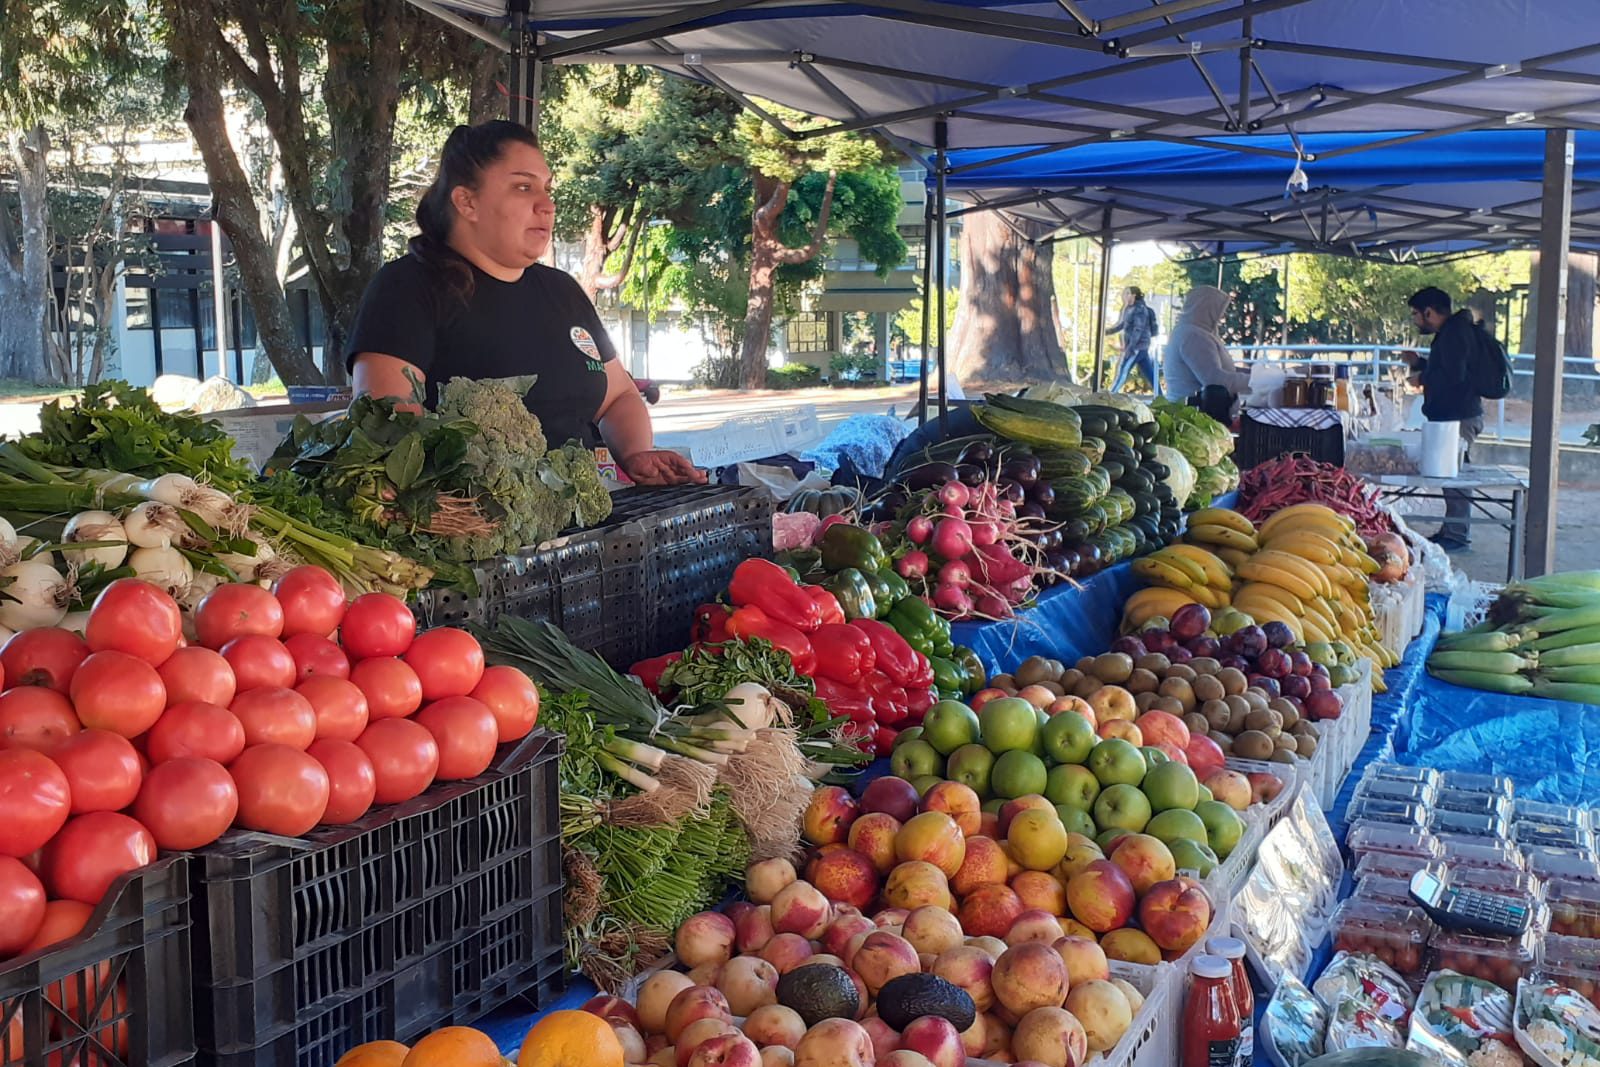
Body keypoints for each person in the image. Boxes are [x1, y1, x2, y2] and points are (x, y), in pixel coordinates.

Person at [347, 120, 704, 487]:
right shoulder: (406, 288)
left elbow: (619, 396)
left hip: (584, 515)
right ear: (467, 202)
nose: (547, 205)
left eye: (547, 189)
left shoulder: (563, 291)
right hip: (469, 518)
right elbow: (388, 429)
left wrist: (636, 452)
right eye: (523, 187)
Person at [1401, 286, 1485, 551]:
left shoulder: (1454, 334)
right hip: (1454, 413)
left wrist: (1422, 378)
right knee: (1450, 475)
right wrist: (1420, 365)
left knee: (1455, 476)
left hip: (1459, 415)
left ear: (1429, 312)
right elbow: (1449, 369)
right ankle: (1452, 529)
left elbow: (1453, 376)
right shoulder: (1451, 333)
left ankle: (1458, 534)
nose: (1415, 320)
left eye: (1416, 314)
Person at [1161, 285, 1251, 404]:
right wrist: (1257, 382)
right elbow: (1216, 381)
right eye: (1220, 310)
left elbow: (1225, 369)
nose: (1222, 316)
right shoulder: (1193, 337)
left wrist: (1255, 374)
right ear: (1207, 309)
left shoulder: (1193, 332)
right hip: (1193, 411)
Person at [1107, 286, 1158, 392]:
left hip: (1137, 346)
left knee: (1123, 370)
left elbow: (1138, 329)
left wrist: (1131, 347)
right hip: (1139, 346)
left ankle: (1112, 393)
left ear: (1134, 295)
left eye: (1127, 293)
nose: (1124, 296)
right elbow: (1123, 325)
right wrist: (1108, 331)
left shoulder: (1140, 310)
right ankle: (1161, 395)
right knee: (1150, 373)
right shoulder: (1128, 309)